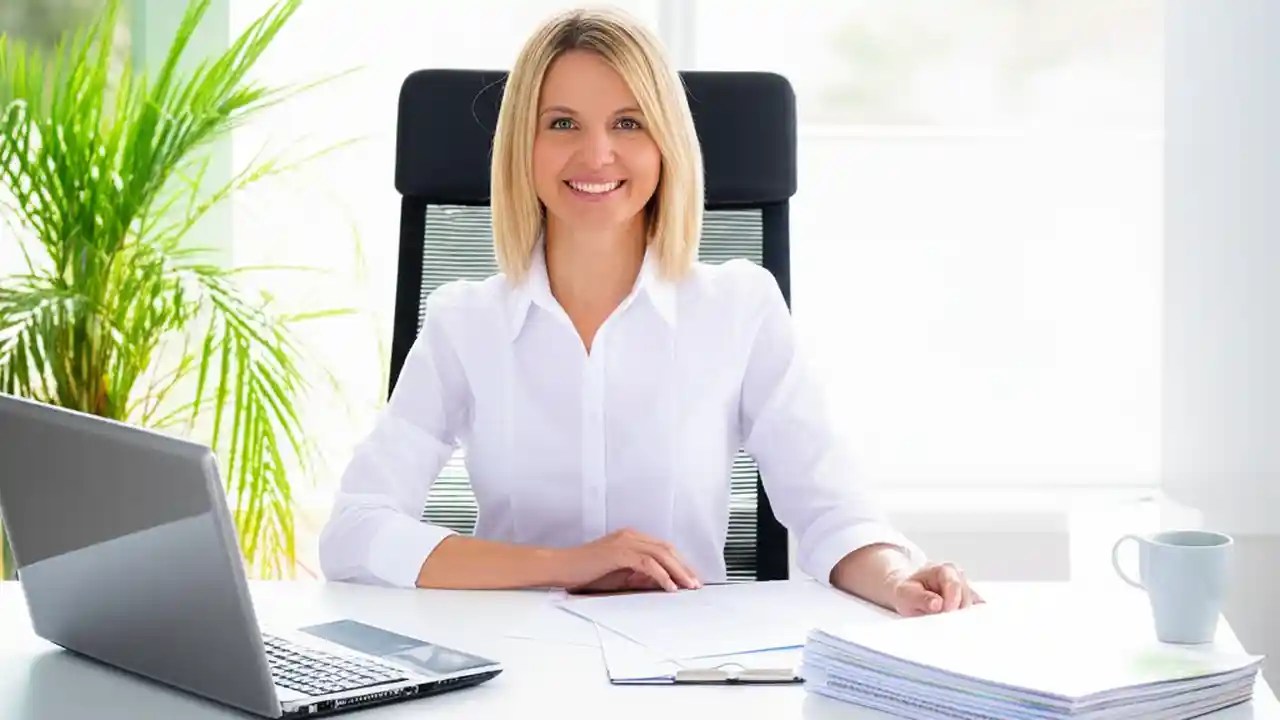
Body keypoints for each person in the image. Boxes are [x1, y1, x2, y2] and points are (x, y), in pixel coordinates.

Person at [319, 6, 981, 617]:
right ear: (524, 144)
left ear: (665, 143)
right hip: (508, 664)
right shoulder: (465, 322)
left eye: (628, 123)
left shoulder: (739, 309)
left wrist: (897, 577)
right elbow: (355, 532)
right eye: (562, 123)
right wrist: (567, 566)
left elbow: (834, 511)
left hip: (683, 674)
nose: (596, 153)